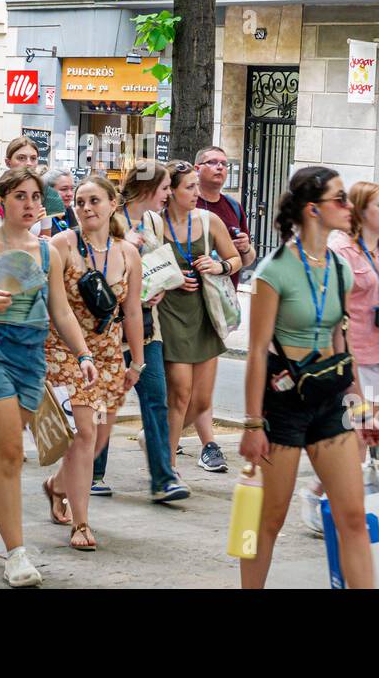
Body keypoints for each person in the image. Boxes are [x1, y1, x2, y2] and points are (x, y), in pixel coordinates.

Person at [0, 167, 97, 587]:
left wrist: (82, 353)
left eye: (36, 197)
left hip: (31, 356)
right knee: (11, 454)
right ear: (1, 201)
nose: (30, 204)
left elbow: (60, 309)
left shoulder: (47, 251)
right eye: (20, 196)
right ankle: (16, 555)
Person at [239, 165, 375, 588]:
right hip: (282, 406)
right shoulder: (273, 271)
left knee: (353, 516)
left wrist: (360, 407)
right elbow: (257, 352)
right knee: (270, 519)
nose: (348, 206)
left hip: (329, 402)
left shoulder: (339, 268)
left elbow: (341, 345)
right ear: (313, 210)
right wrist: (252, 423)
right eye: (340, 199)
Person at [43, 176, 143, 549]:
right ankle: (81, 524)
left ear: (113, 204)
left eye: (94, 201)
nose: (86, 208)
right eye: (81, 202)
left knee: (99, 439)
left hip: (109, 352)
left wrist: (137, 363)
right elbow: (51, 303)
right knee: (84, 434)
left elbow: (132, 312)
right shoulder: (60, 246)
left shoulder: (127, 253)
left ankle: (56, 485)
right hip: (65, 349)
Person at [91, 159, 189, 502]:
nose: (167, 195)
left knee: (156, 401)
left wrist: (160, 286)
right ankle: (92, 471)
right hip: (110, 329)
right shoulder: (110, 218)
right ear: (148, 189)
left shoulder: (153, 221)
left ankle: (163, 478)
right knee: (104, 402)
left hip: (149, 326)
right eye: (164, 189)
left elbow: (158, 264)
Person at [159, 160, 241, 475]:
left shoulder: (208, 221)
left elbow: (234, 258)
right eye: (189, 187)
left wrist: (219, 266)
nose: (196, 192)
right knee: (179, 392)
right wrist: (171, 277)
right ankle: (168, 466)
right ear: (171, 192)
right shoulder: (155, 223)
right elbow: (141, 266)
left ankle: (155, 437)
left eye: (196, 185)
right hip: (170, 314)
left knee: (200, 401)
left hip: (205, 314)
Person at [191, 145, 257, 472]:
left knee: (198, 382)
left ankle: (166, 432)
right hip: (186, 304)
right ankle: (204, 442)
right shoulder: (187, 204)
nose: (220, 168)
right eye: (212, 162)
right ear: (197, 168)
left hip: (219, 306)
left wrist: (245, 250)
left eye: (224, 163)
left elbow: (246, 260)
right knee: (184, 383)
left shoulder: (232, 207)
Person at [330, 181, 379, 419]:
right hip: (353, 354)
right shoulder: (341, 251)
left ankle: (367, 459)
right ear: (360, 210)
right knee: (357, 427)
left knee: (373, 426)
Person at [0, 137, 43, 235]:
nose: (28, 163)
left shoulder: (39, 196)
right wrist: (27, 225)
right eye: (21, 158)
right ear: (8, 162)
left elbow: (44, 240)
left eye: (33, 158)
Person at [43, 169, 78, 236]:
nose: (70, 194)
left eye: (72, 189)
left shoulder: (70, 211)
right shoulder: (40, 215)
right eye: (64, 189)